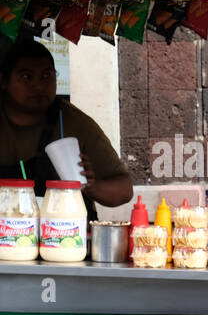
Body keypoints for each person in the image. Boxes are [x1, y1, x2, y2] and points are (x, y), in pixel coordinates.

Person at [0, 38, 131, 216]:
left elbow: (124, 190)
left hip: (65, 236)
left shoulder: (74, 123)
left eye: (47, 75)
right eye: (26, 77)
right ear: (4, 81)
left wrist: (92, 187)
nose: (38, 86)